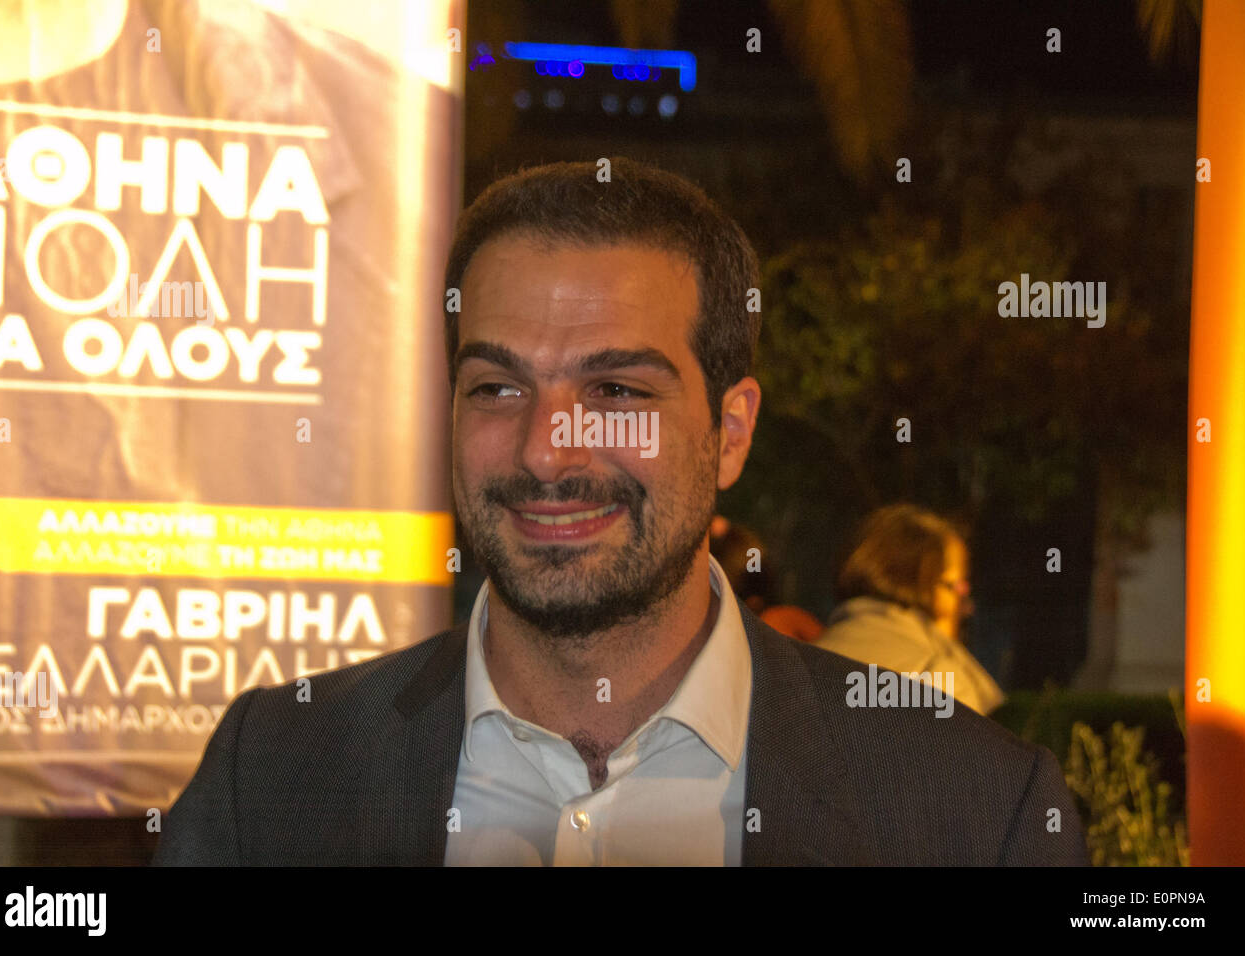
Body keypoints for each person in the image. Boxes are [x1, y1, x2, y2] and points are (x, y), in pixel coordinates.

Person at [153, 158, 1084, 865]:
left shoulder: (969, 810)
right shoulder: (273, 777)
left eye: (614, 389)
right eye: (495, 387)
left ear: (729, 430)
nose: (545, 450)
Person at [813, 504, 1006, 715]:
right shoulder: (941, 682)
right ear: (922, 583)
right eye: (957, 585)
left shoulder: (797, 667)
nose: (967, 607)